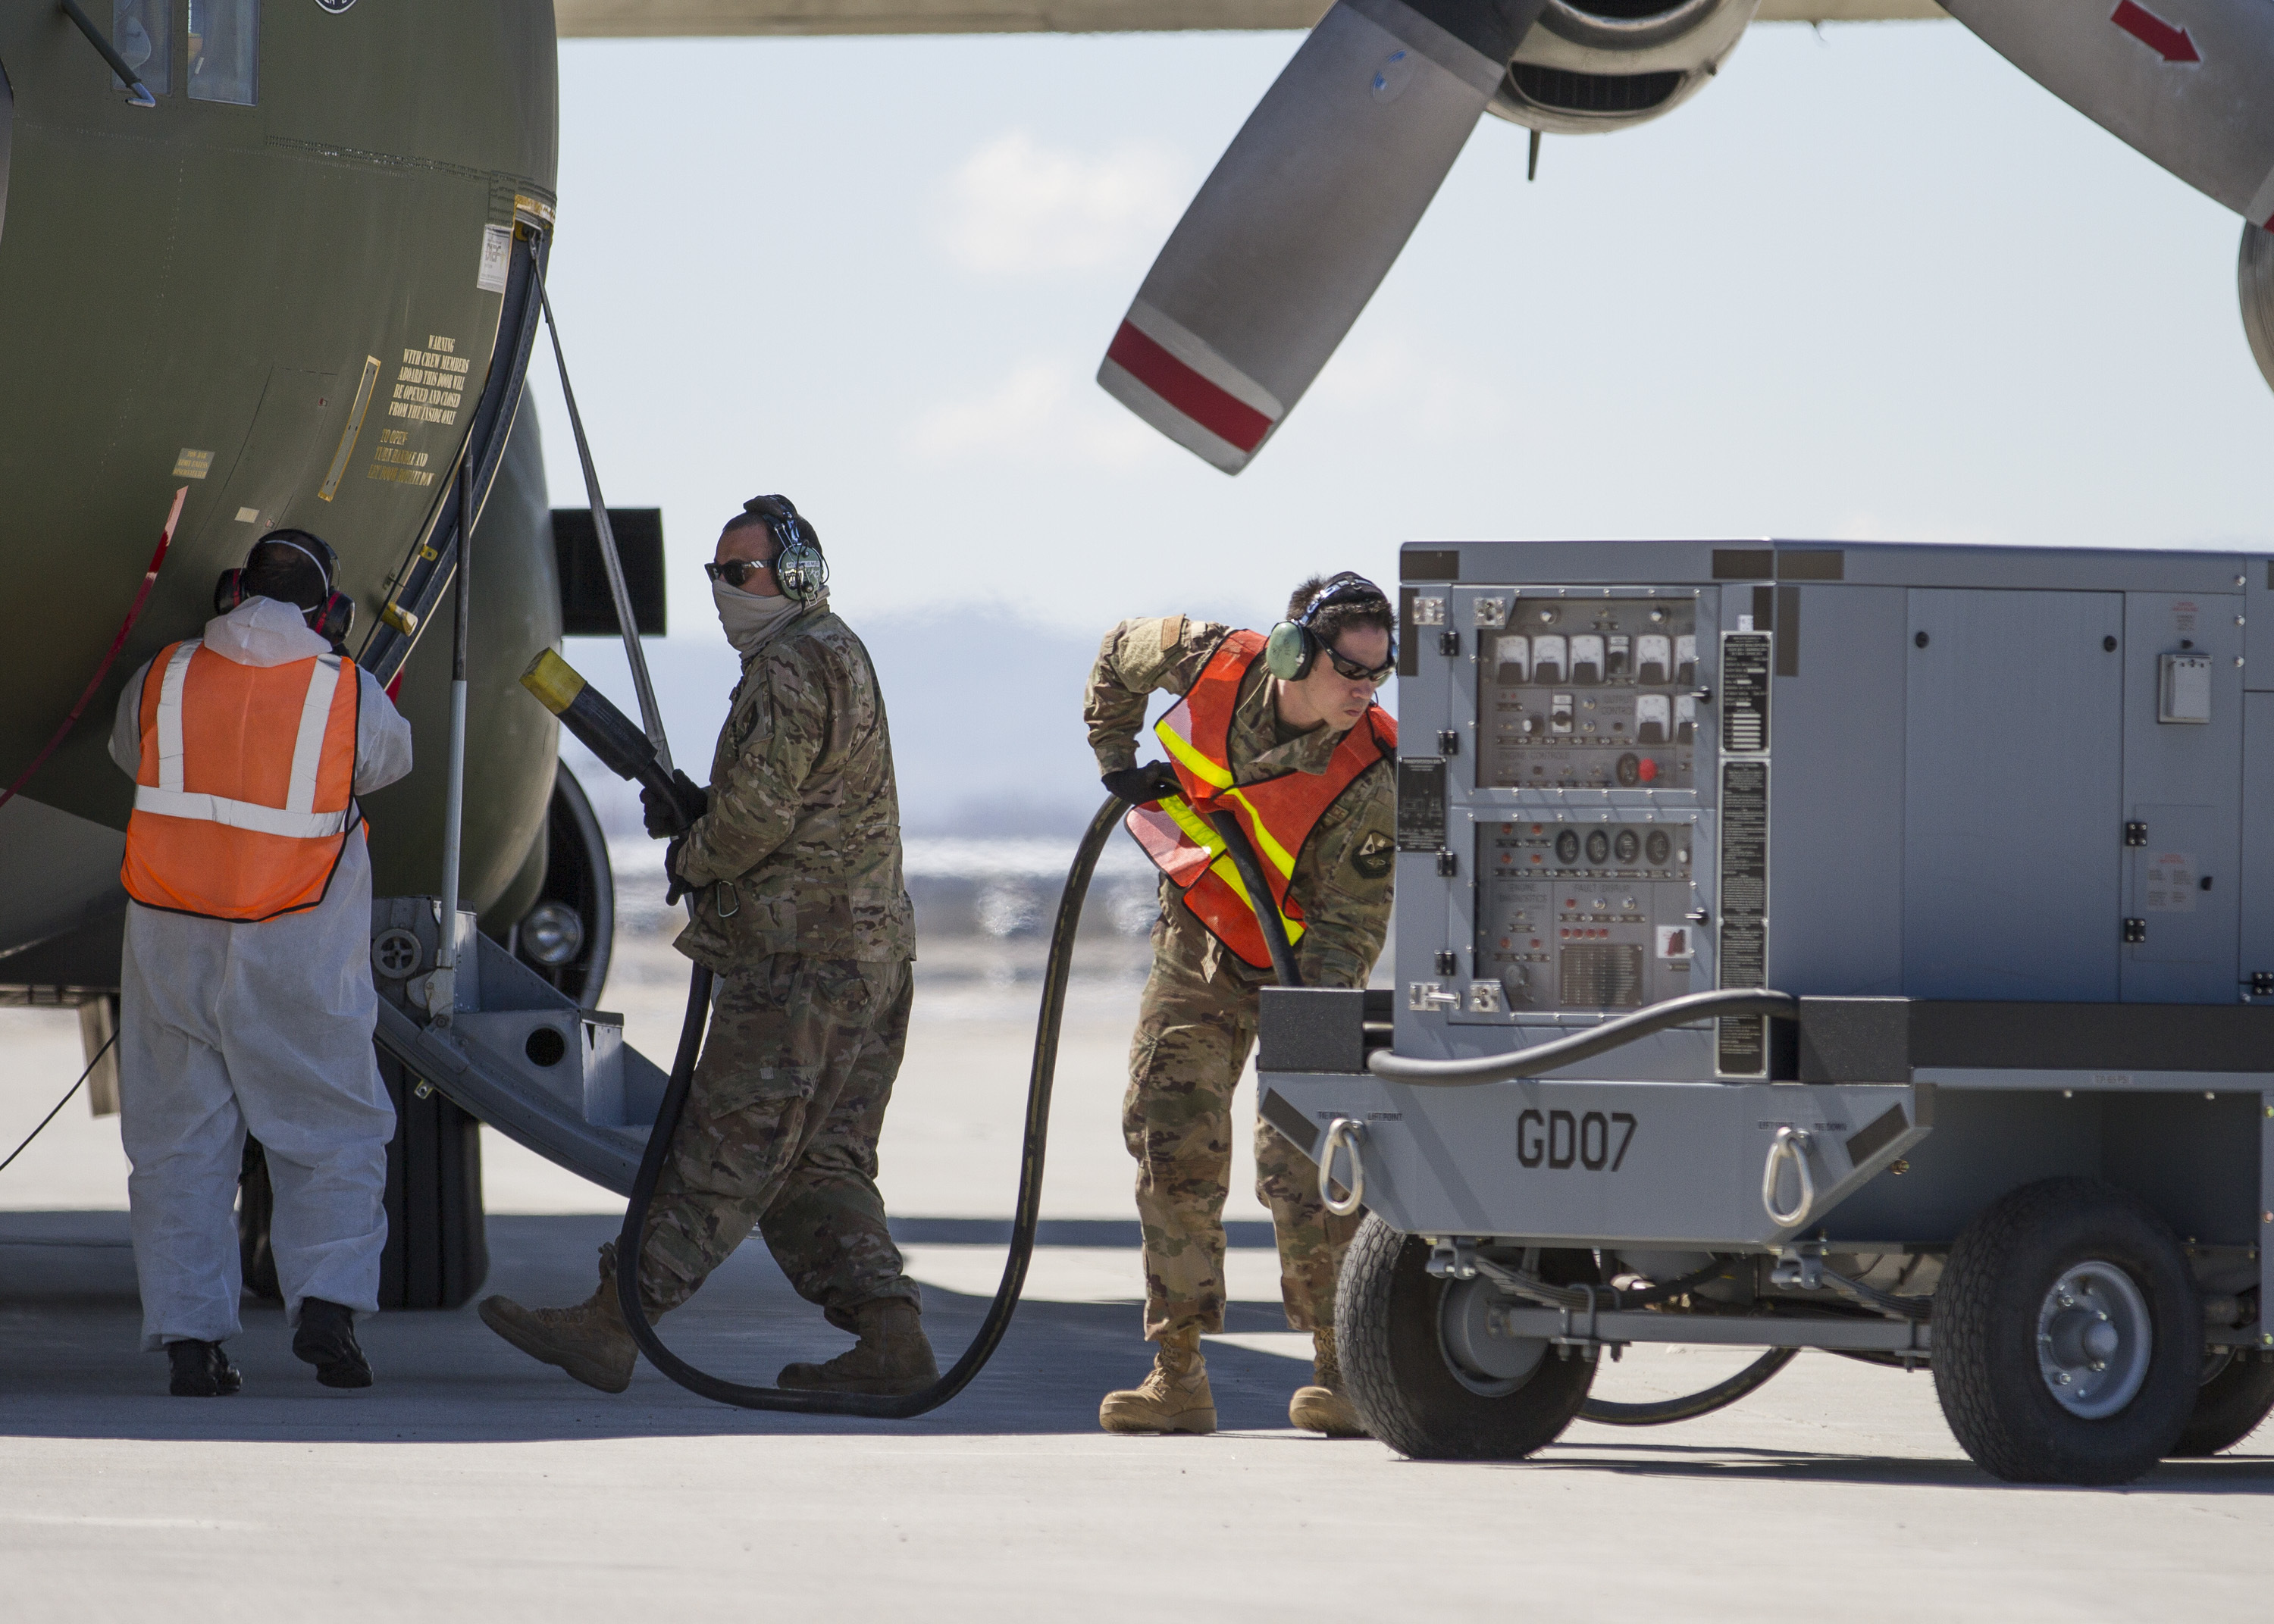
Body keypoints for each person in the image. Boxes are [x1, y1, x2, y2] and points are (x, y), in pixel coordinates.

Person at [478, 496, 935, 1396]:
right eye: (717, 576)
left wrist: (696, 850)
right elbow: (799, 803)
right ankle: (891, 1337)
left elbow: (761, 817)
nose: (727, 592)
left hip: (798, 963)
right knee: (818, 1164)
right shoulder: (835, 650)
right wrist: (698, 807)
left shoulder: (790, 664)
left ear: (795, 575)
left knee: (719, 1152)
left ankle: (614, 1323)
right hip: (870, 958)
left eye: (742, 573)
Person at [1086, 573, 1399, 1438]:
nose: (1365, 690)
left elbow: (1350, 929)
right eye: (1350, 671)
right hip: (1196, 943)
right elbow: (1118, 652)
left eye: (1379, 674)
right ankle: (1177, 1373)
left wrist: (1305, 1035)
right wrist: (1117, 759)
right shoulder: (1210, 660)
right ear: (1295, 654)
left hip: (1305, 966)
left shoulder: (1375, 771)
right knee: (1170, 1134)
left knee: (1302, 1153)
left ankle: (1344, 1370)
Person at [108, 530, 412, 1397]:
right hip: (298, 950)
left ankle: (190, 1346)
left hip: (173, 946)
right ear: (331, 610)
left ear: (235, 592)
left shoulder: (165, 675)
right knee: (332, 1134)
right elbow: (390, 762)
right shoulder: (344, 688)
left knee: (178, 1148)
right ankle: (328, 1309)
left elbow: (132, 756)